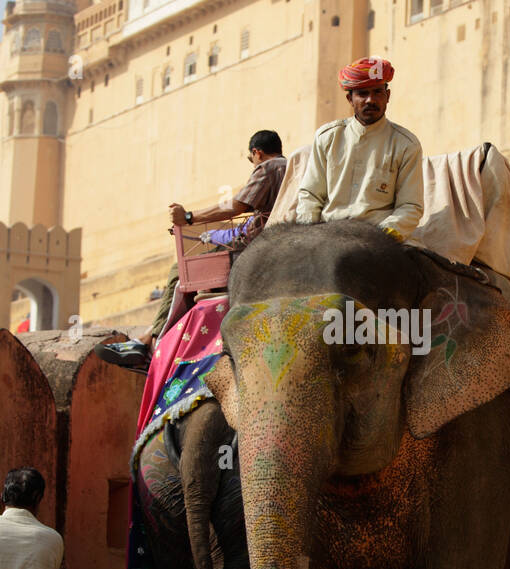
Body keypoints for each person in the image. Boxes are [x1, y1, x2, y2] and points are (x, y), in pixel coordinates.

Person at [101, 130, 287, 372]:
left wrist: (189, 217)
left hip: (255, 248)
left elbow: (237, 205)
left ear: (256, 153)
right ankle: (152, 339)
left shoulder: (269, 167)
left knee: (179, 273)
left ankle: (150, 343)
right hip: (279, 242)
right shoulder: (292, 166)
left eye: (251, 159)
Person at [296, 58, 423, 240]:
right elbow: (311, 194)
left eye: (377, 92)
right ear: (350, 99)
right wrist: (309, 235)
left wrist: (382, 236)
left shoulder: (406, 144)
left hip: (380, 239)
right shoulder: (328, 137)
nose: (370, 100)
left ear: (387, 96)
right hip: (328, 235)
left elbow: (410, 206)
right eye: (362, 94)